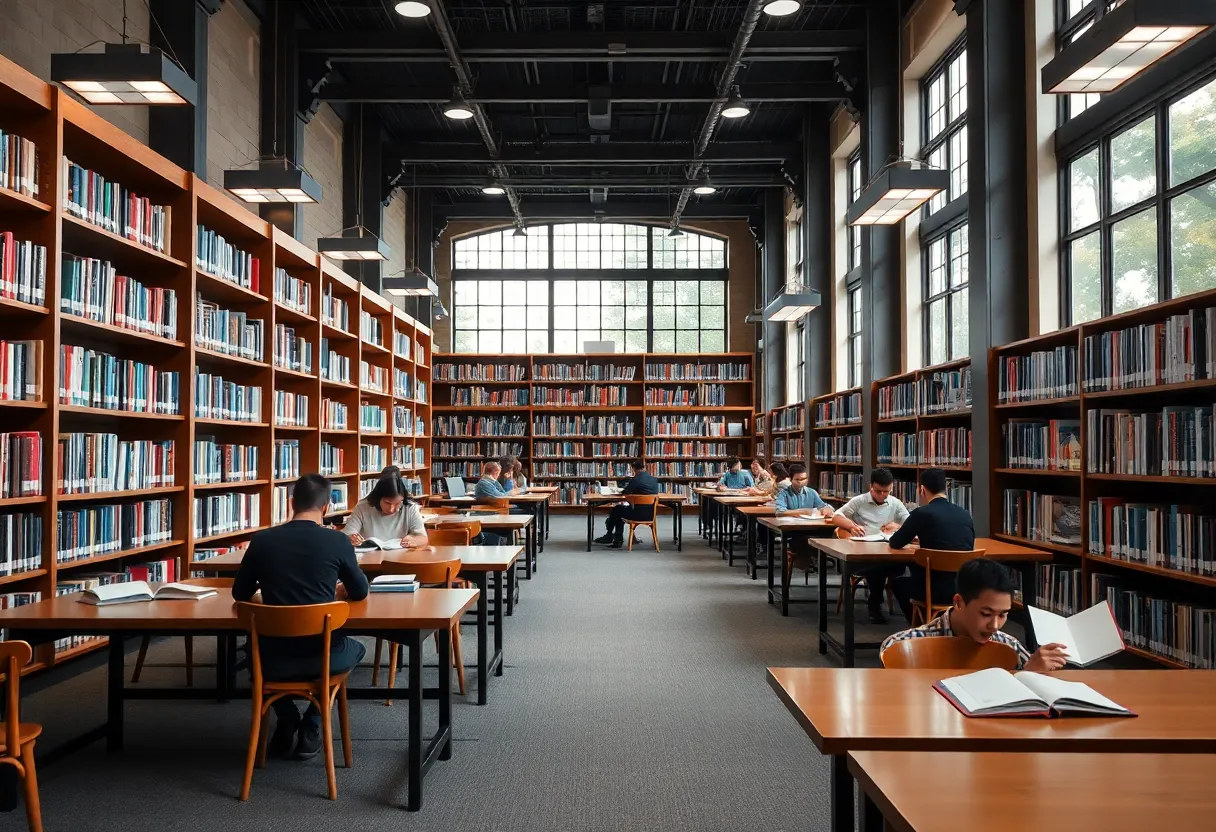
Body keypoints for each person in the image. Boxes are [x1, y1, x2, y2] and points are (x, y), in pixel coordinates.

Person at [232, 473, 369, 760]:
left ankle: (287, 716)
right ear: (326, 507)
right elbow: (361, 591)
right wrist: (339, 591)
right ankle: (313, 721)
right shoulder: (338, 542)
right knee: (356, 649)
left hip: (271, 659)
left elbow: (240, 593)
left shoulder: (262, 541)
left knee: (252, 656)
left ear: (291, 503)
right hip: (323, 657)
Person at [880, 557, 1068, 673]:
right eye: (986, 614)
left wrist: (1032, 672)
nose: (995, 625)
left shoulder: (1010, 647)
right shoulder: (902, 646)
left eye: (1003, 615)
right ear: (959, 602)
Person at [889, 467, 977, 621]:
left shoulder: (921, 513)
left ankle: (921, 625)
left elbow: (895, 543)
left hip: (932, 590)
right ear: (945, 488)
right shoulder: (965, 514)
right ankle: (944, 622)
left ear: (922, 489)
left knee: (898, 583)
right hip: (964, 588)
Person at [832, 467, 910, 624]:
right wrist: (851, 526)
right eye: (878, 491)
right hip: (863, 554)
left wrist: (897, 526)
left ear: (891, 488)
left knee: (902, 567)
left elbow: (910, 523)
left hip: (888, 551)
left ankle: (909, 610)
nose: (882, 495)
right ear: (871, 487)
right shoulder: (859, 501)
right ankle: (875, 604)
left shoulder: (895, 503)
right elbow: (836, 516)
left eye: (886, 491)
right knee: (877, 567)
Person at [344, 468, 428, 548]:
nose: (391, 509)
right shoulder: (362, 507)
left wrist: (414, 540)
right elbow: (347, 534)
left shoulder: (410, 508)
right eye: (387, 503)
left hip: (400, 558)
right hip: (371, 559)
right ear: (378, 498)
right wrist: (352, 538)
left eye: (397, 503)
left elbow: (423, 538)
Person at [594, 459, 658, 549]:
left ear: (635, 469)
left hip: (636, 514)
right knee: (620, 510)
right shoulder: (654, 480)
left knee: (617, 510)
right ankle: (616, 538)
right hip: (650, 515)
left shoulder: (636, 480)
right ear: (644, 467)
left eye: (634, 471)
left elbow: (625, 492)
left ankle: (612, 536)